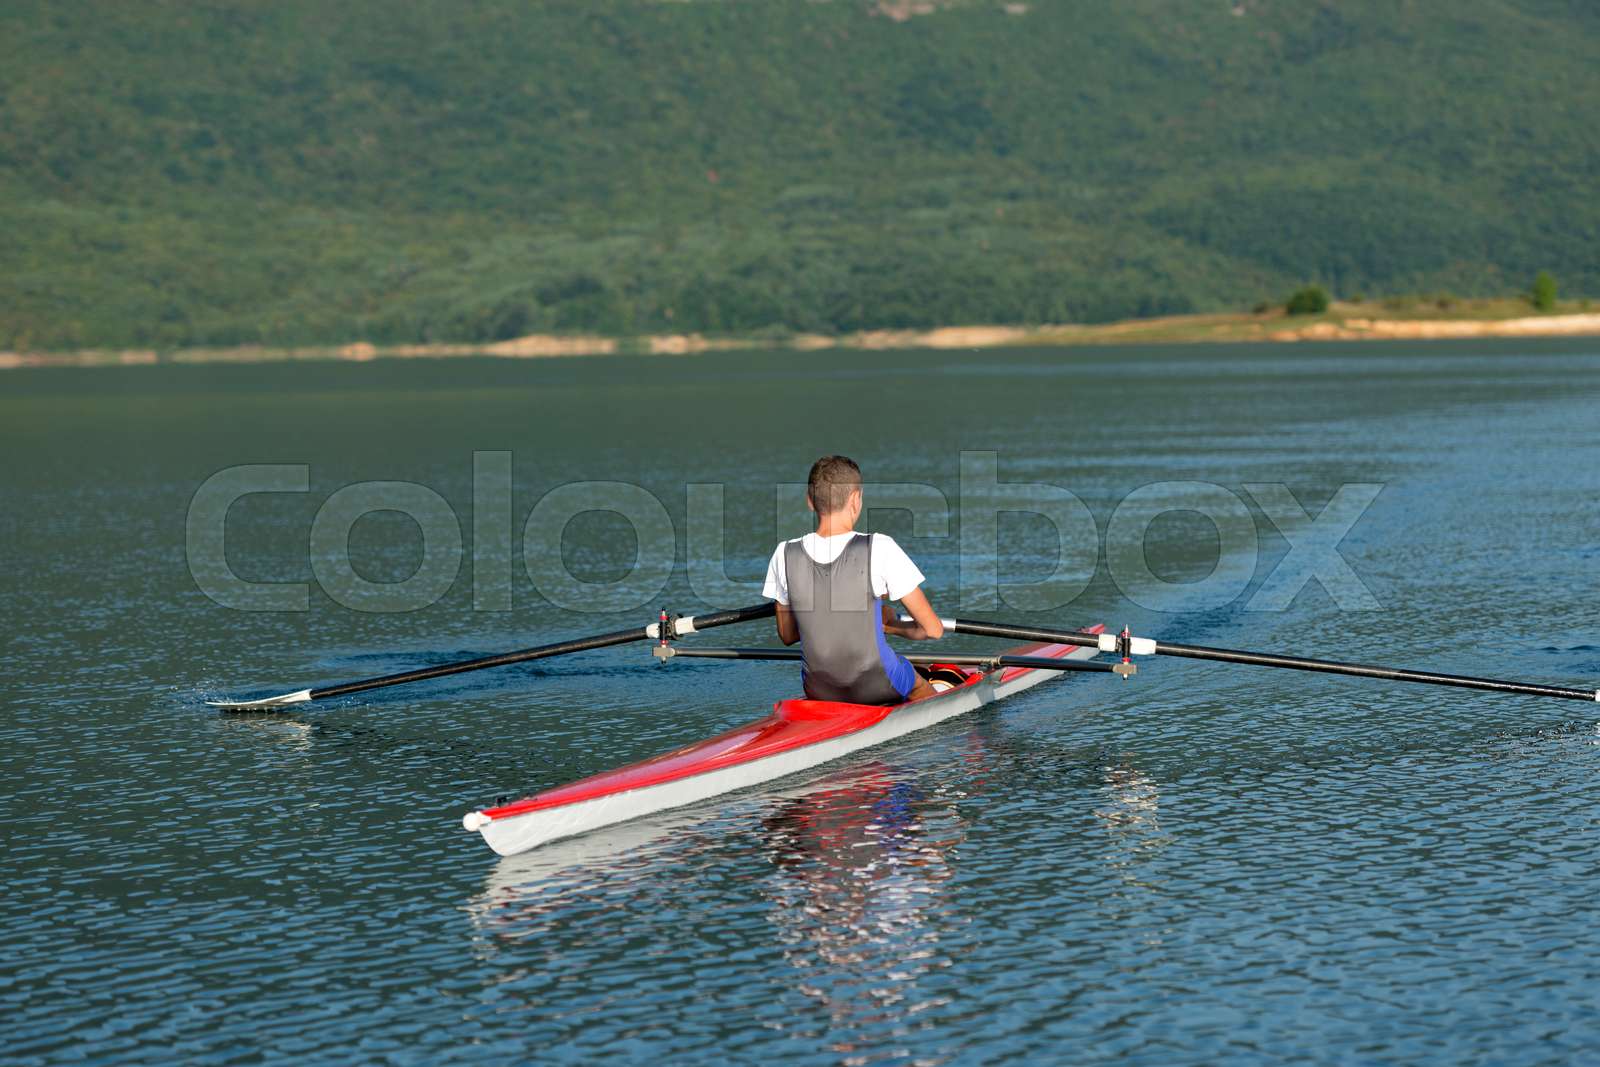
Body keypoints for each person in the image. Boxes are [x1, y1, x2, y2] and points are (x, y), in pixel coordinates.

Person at [762, 455, 946, 704]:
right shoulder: (880, 546)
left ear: (809, 501)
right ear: (855, 499)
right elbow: (933, 630)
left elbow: (788, 636)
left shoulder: (783, 554)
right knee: (916, 681)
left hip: (818, 689)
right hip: (879, 683)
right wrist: (889, 625)